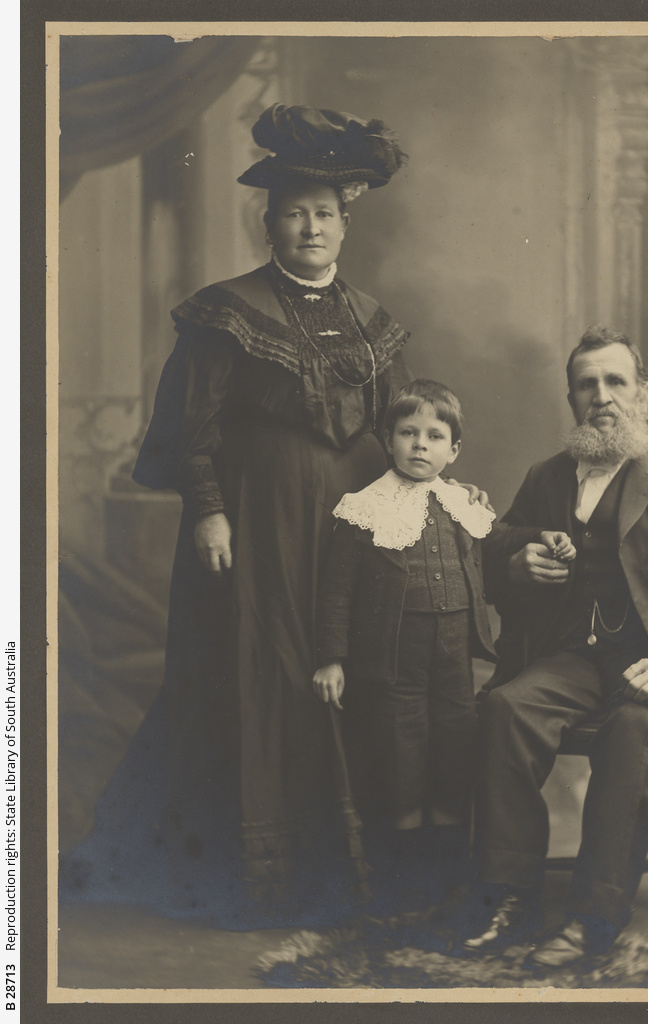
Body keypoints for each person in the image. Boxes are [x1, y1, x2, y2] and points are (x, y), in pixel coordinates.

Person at [61, 105, 416, 929]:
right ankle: (243, 875)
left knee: (340, 674)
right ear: (269, 222)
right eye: (294, 213)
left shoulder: (376, 323)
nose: (310, 228)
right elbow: (192, 431)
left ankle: (339, 868)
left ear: (345, 223)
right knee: (257, 679)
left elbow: (405, 430)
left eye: (324, 214)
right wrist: (210, 512)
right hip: (252, 531)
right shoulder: (224, 312)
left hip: (347, 532)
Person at [462, 325, 648, 968]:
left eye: (616, 382)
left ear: (642, 394)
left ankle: (593, 919)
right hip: (573, 659)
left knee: (628, 730)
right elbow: (499, 543)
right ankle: (512, 898)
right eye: (587, 385)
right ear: (571, 400)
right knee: (506, 709)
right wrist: (521, 563)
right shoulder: (546, 476)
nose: (602, 396)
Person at [312, 379, 511, 914]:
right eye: (408, 433)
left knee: (453, 754)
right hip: (391, 663)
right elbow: (335, 591)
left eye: (435, 435)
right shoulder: (363, 508)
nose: (420, 445)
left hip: (453, 661)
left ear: (454, 449)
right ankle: (401, 886)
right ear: (387, 439)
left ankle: (447, 878)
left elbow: (494, 558)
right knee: (401, 760)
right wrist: (332, 658)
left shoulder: (461, 503)